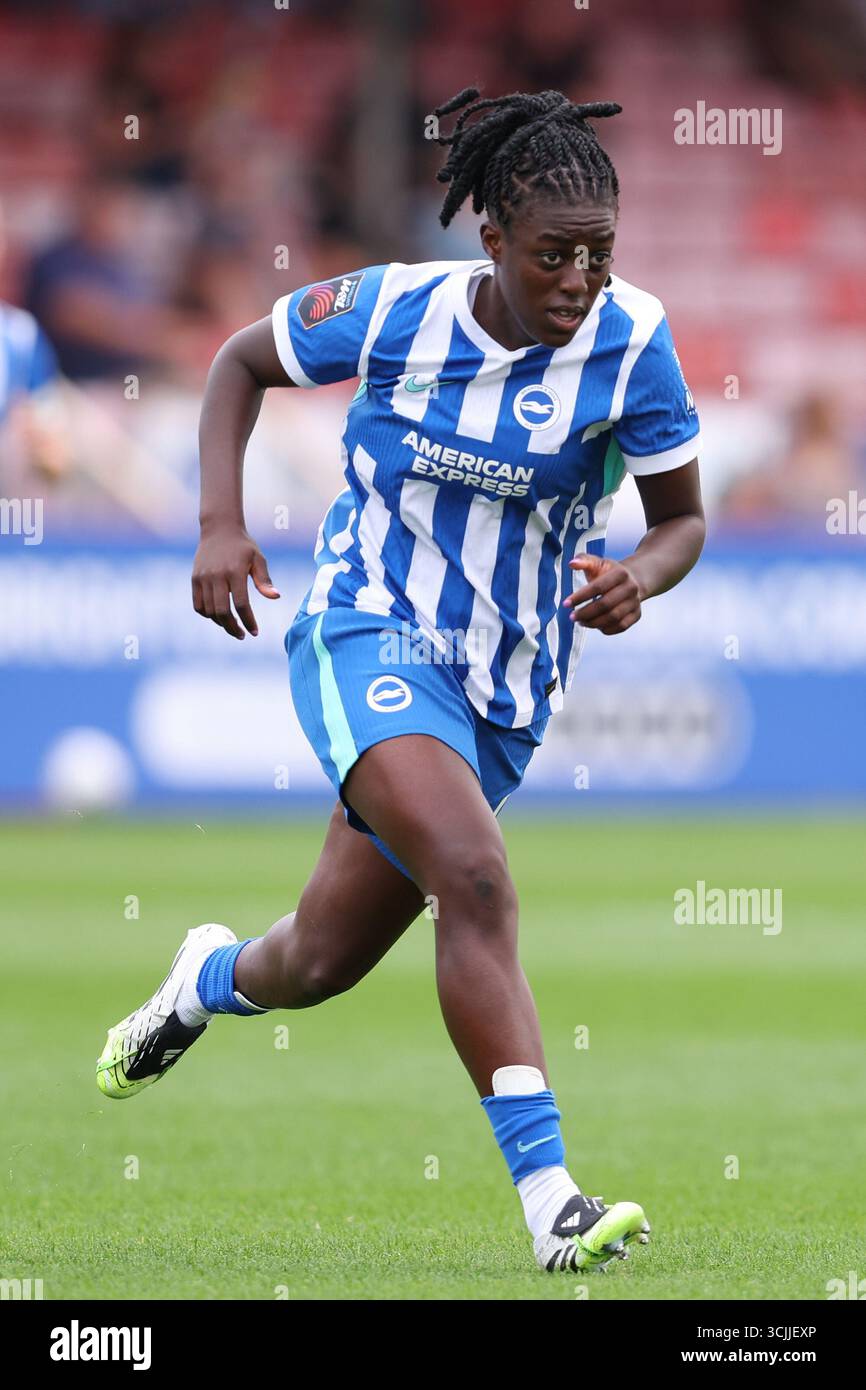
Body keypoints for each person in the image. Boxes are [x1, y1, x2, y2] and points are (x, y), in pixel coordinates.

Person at [97, 88, 705, 1275]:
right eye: (551, 256)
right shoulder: (388, 311)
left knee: (313, 964)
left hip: (503, 692)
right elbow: (237, 361)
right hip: (367, 629)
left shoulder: (633, 340)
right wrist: (217, 522)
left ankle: (202, 980)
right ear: (487, 240)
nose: (578, 279)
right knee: (471, 877)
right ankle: (552, 1202)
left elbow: (679, 519)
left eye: (598, 254)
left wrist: (641, 573)